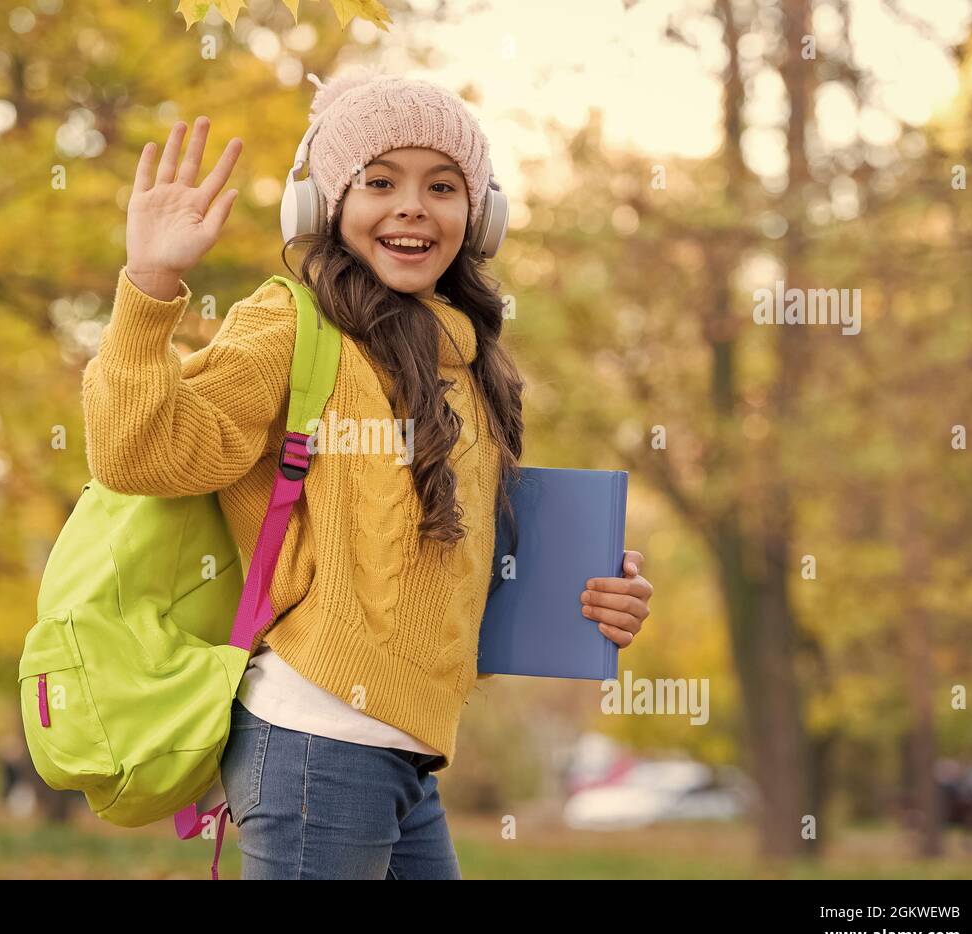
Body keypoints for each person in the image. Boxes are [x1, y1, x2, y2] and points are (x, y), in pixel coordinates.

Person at [81, 69, 654, 879]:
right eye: (379, 181)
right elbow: (141, 452)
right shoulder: (291, 324)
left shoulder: (470, 362)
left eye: (442, 186)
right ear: (325, 207)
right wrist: (150, 284)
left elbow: (437, 578)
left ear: (480, 214)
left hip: (402, 751)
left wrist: (590, 599)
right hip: (320, 738)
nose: (413, 205)